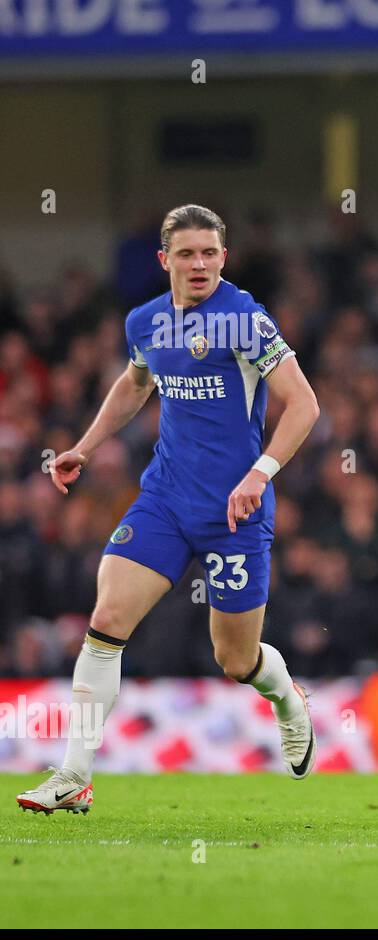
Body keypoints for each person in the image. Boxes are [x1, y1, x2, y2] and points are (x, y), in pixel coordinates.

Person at [16, 204, 320, 814]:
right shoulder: (146, 322)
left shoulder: (244, 321)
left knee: (236, 660)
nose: (199, 263)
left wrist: (260, 475)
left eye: (210, 252)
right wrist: (83, 446)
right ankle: (75, 776)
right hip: (165, 498)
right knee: (107, 619)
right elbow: (134, 384)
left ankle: (286, 697)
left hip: (236, 511)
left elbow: (304, 405)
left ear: (224, 258)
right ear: (165, 261)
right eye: (186, 254)